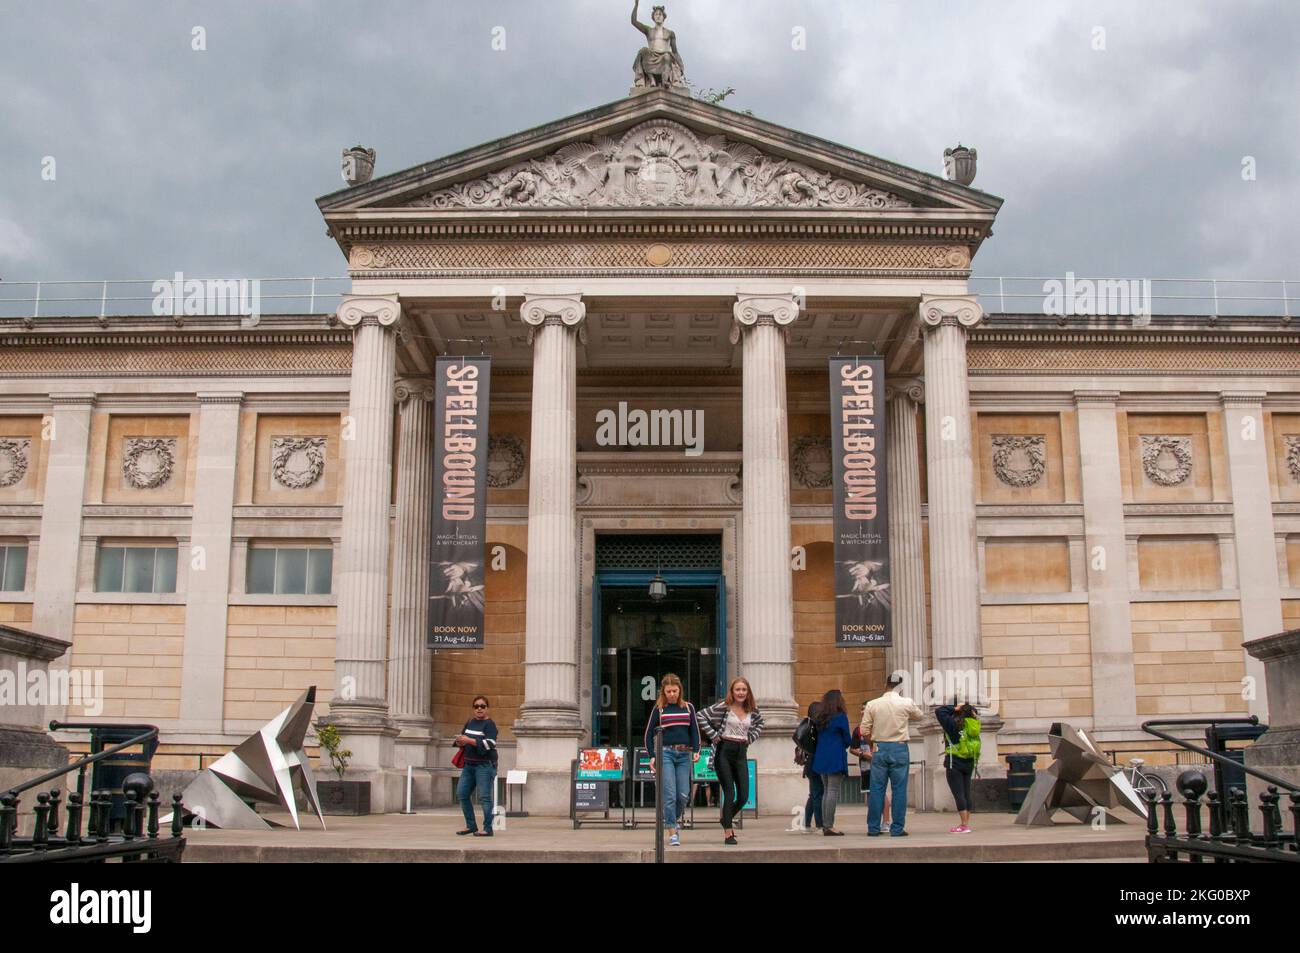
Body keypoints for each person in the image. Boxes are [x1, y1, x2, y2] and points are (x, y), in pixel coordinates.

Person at [697, 677, 764, 845]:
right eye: (738, 689)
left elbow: (760, 723)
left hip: (741, 751)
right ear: (732, 692)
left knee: (743, 795)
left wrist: (750, 738)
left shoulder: (752, 709)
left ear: (748, 692)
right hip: (724, 751)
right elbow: (700, 716)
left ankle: (725, 819)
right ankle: (728, 833)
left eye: (744, 690)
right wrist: (713, 736)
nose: (741, 693)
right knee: (729, 792)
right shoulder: (723, 707)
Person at [861, 674, 925, 837]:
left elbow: (864, 730)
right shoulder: (906, 703)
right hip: (899, 747)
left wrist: (872, 744)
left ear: (885, 684)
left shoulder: (872, 704)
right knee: (899, 790)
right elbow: (920, 715)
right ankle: (897, 828)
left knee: (876, 789)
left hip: (879, 747)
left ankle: (873, 828)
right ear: (900, 687)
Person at [644, 673, 700, 847]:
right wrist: (652, 755)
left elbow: (695, 731)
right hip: (665, 753)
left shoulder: (688, 707)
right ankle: (672, 832)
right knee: (669, 794)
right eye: (668, 691)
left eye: (675, 691)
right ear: (663, 692)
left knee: (683, 795)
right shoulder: (659, 709)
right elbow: (647, 734)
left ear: (680, 690)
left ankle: (670, 819)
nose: (672, 694)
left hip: (684, 754)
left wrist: (697, 749)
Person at [810, 689, 853, 836]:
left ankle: (824, 824)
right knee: (832, 791)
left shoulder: (820, 718)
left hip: (821, 758)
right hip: (835, 757)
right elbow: (848, 739)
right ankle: (829, 826)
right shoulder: (840, 717)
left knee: (826, 791)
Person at [454, 695, 498, 837]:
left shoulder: (490, 725)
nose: (479, 709)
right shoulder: (470, 722)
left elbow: (490, 744)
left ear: (487, 709)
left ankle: (487, 829)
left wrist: (469, 740)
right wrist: (460, 741)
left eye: (482, 706)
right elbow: (463, 739)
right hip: (468, 765)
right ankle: (471, 826)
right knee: (462, 794)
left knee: (484, 798)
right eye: (476, 706)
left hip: (484, 766)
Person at [936, 701, 981, 833]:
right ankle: (966, 823)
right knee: (966, 792)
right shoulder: (973, 725)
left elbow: (939, 711)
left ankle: (964, 825)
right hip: (969, 761)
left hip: (954, 762)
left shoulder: (952, 724)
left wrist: (955, 708)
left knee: (958, 794)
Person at [797, 700, 823, 832]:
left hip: (809, 763)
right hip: (816, 763)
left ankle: (807, 822)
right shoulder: (817, 727)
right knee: (818, 794)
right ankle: (819, 823)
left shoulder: (806, 724)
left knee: (813, 794)